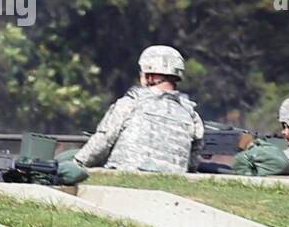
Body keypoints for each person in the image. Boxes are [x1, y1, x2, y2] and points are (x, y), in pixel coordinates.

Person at [73, 45, 205, 173]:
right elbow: (193, 162)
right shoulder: (191, 114)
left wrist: (76, 163)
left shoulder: (131, 103)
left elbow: (102, 142)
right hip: (173, 181)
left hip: (123, 178)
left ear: (150, 76)